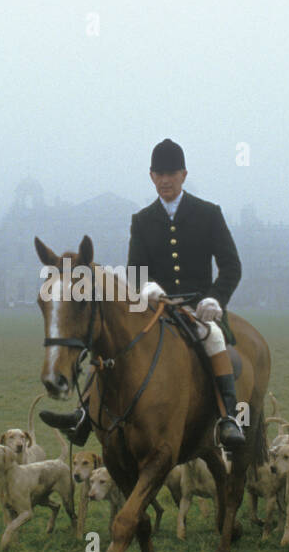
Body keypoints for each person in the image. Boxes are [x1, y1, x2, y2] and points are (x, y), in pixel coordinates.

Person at [41, 138, 246, 450]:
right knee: (110, 338)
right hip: (153, 306)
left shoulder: (209, 214)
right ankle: (84, 412)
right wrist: (147, 286)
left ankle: (227, 418)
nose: (165, 180)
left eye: (171, 173)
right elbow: (136, 268)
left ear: (183, 175)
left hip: (197, 306)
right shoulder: (142, 220)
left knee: (213, 338)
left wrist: (214, 299)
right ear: (152, 177)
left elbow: (231, 266)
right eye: (159, 174)